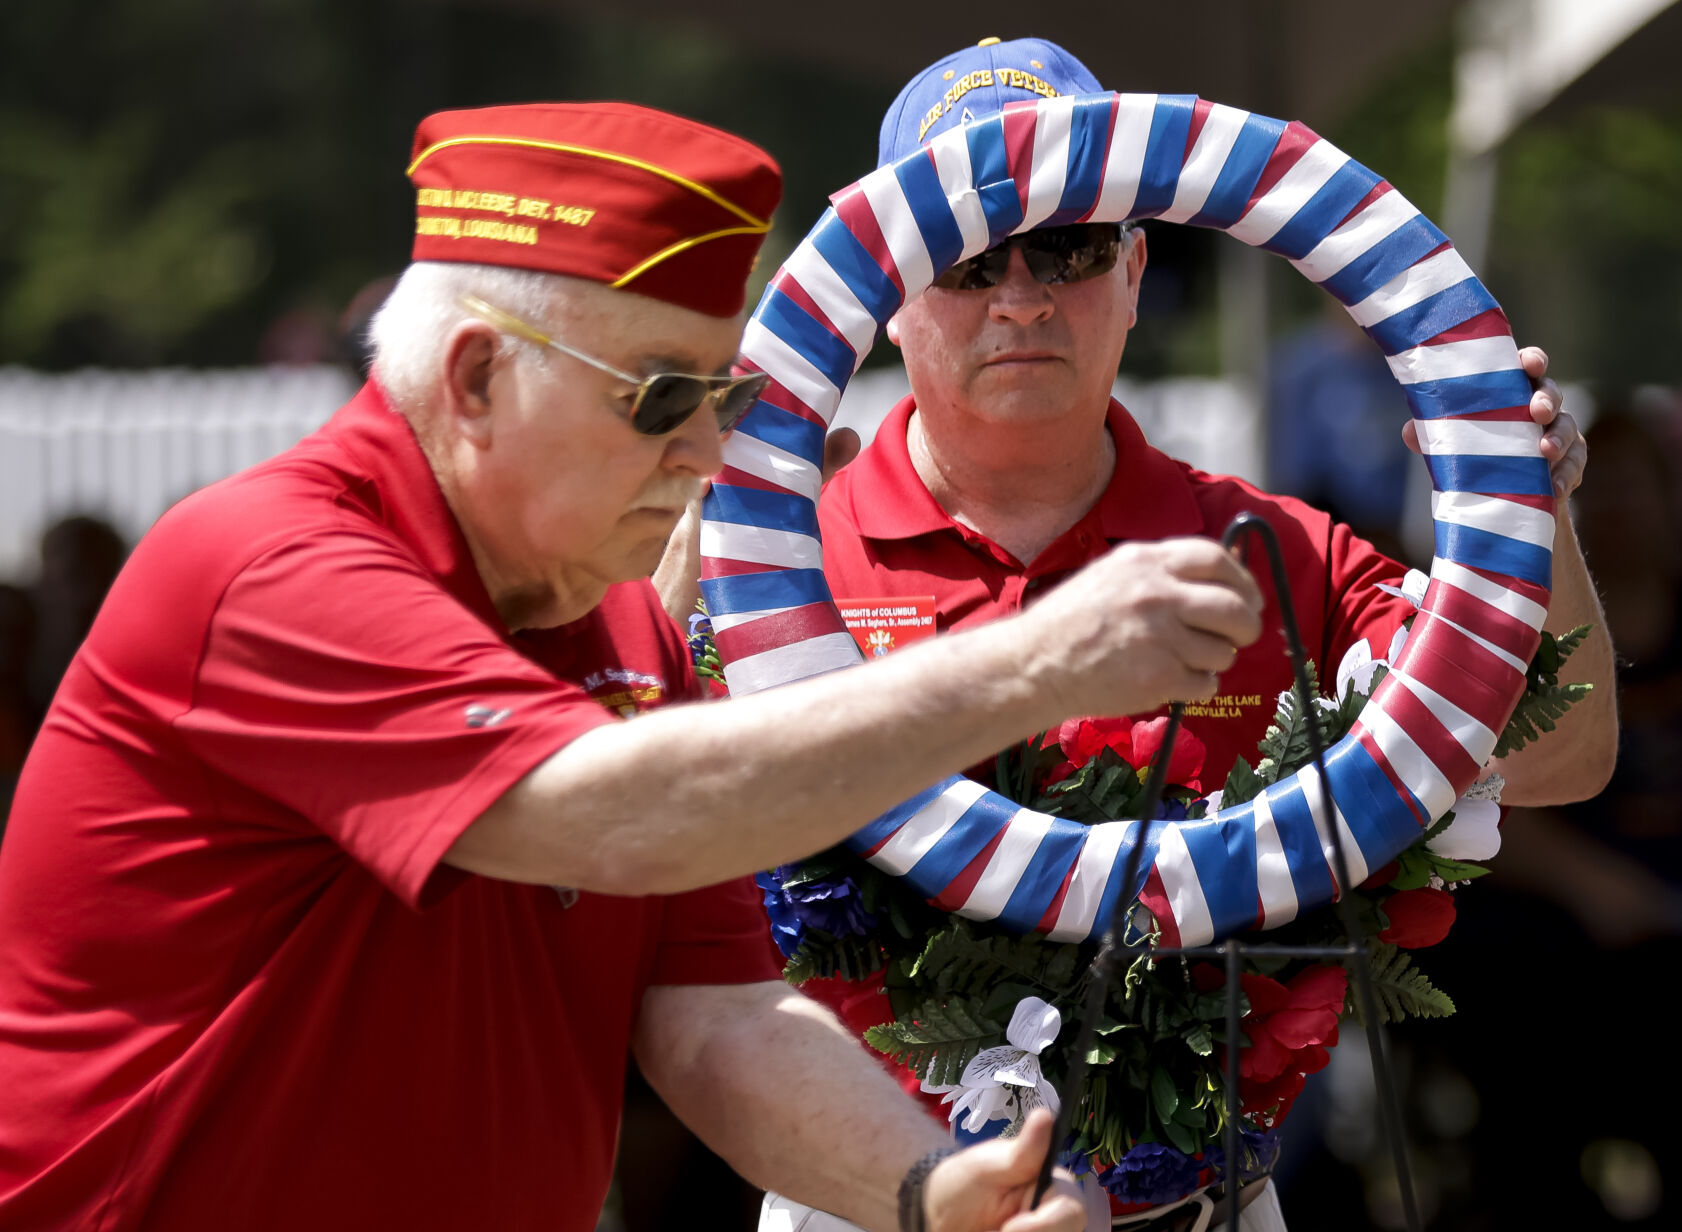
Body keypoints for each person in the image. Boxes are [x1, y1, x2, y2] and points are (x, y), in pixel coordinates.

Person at [0, 101, 1268, 1232]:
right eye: (662, 397)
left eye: (725, 398)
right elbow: (613, 813)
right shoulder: (271, 568)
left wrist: (932, 1194)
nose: (709, 453)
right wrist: (1037, 661)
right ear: (477, 376)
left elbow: (717, 1012)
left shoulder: (620, 627)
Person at [742, 35, 1618, 1232]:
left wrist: (1527, 513)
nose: (1020, 296)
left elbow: (1558, 754)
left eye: (1068, 245)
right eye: (968, 257)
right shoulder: (782, 574)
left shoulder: (1273, 550)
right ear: (885, 290)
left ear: (1134, 267)